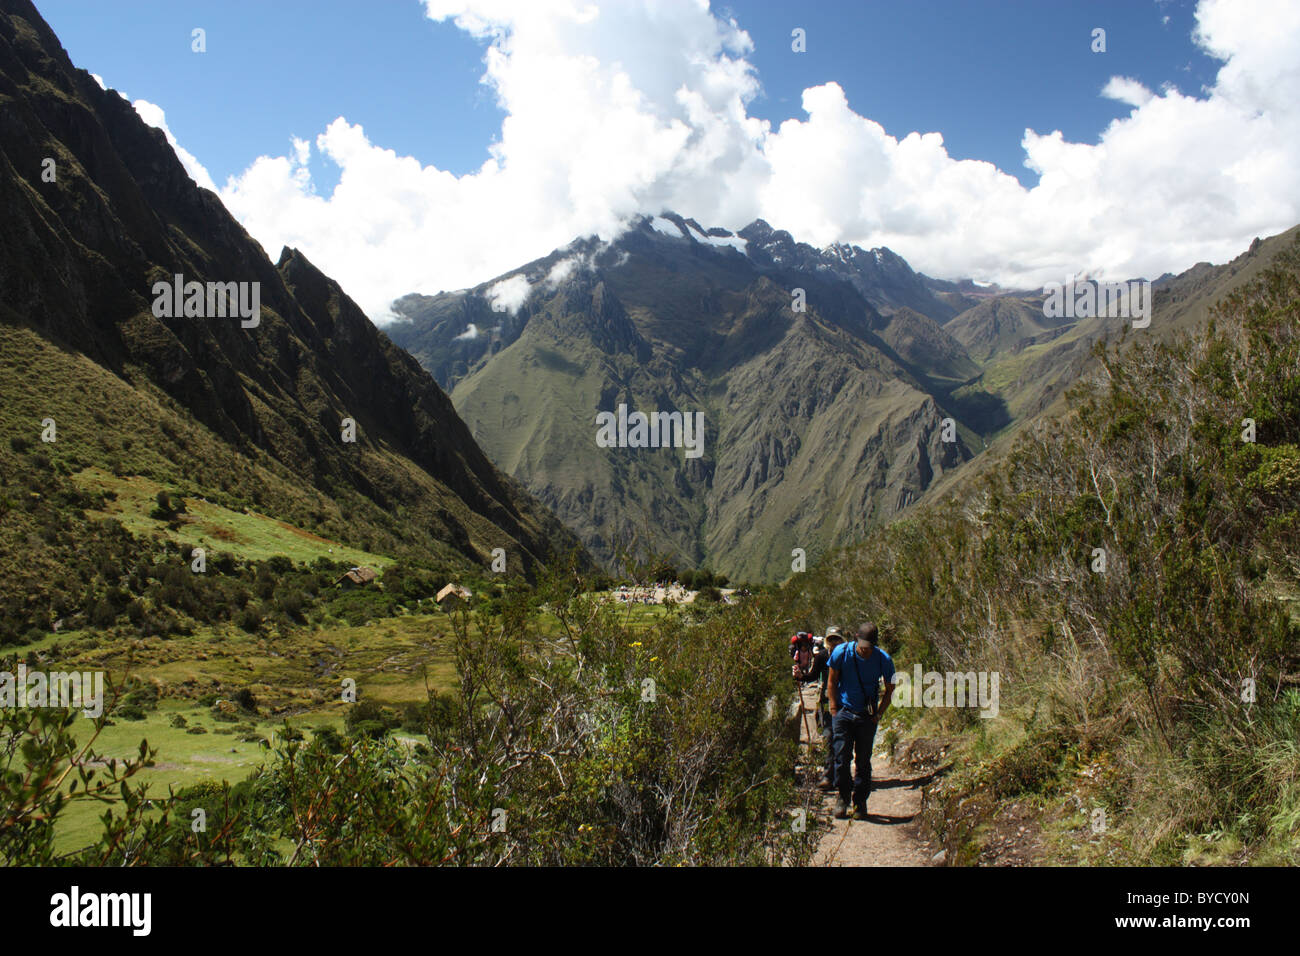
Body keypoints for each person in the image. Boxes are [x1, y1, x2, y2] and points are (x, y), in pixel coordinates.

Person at [826, 622, 895, 819]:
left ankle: (860, 802)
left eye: (869, 646)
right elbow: (831, 681)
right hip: (844, 712)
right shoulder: (841, 652)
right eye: (862, 645)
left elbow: (890, 689)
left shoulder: (883, 659)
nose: (864, 650)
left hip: (867, 716)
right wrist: (833, 708)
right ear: (856, 638)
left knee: (863, 760)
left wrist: (879, 713)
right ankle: (843, 797)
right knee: (841, 757)